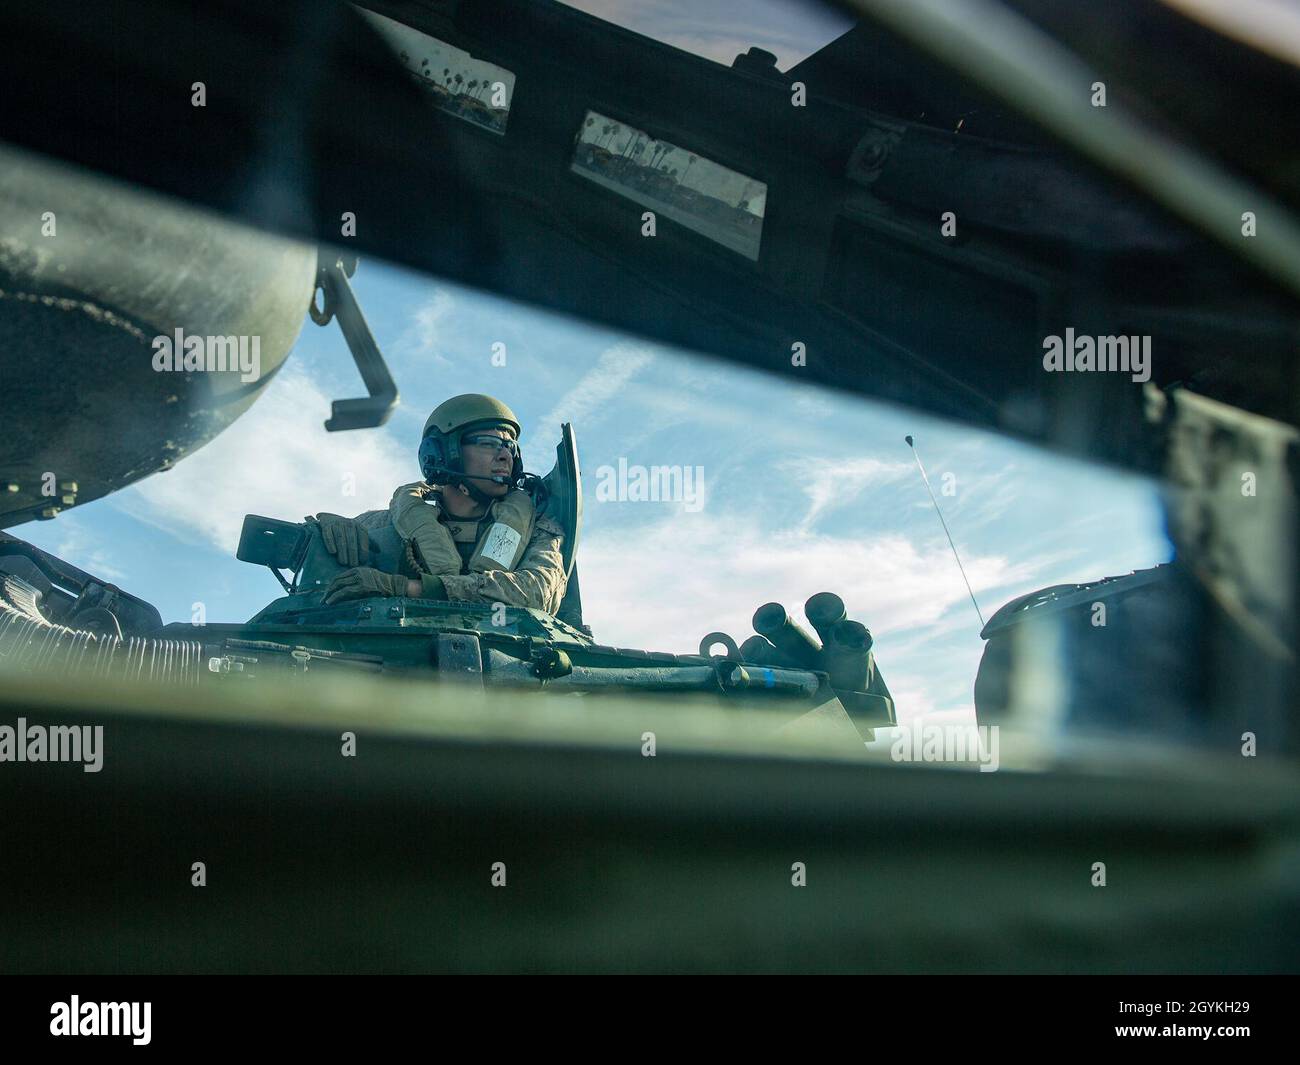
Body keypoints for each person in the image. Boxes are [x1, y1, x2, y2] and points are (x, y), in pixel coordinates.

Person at [316, 394, 568, 615]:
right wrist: (323, 531)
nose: (505, 456)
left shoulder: (540, 530)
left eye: (509, 447)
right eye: (488, 444)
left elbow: (538, 592)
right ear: (445, 453)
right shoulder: (392, 522)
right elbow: (302, 546)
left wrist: (407, 588)